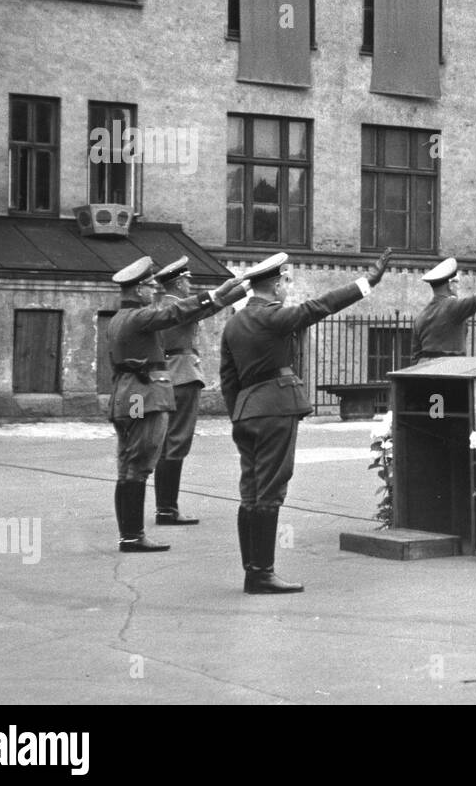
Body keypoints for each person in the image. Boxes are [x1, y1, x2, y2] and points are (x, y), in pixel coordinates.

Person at [221, 249, 391, 594]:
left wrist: (239, 410)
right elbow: (320, 306)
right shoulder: (272, 316)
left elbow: (228, 379)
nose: (287, 289)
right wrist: (366, 282)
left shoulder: (234, 323)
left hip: (246, 412)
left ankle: (252, 570)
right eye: (286, 282)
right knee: (270, 489)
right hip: (275, 411)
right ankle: (262, 574)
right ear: (277, 283)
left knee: (251, 491)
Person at [107, 257, 244, 552]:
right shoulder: (140, 317)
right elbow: (176, 312)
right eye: (149, 286)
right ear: (139, 289)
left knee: (130, 462)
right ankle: (133, 536)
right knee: (140, 460)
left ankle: (130, 534)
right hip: (142, 397)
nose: (153, 290)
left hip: (129, 397)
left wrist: (222, 294)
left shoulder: (120, 318)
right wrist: (214, 293)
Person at [151, 256, 212, 526]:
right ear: (177, 283)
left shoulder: (155, 306)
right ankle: (167, 509)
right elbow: (215, 303)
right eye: (187, 280)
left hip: (157, 381)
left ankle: (165, 507)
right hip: (183, 378)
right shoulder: (181, 306)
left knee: (161, 442)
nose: (190, 284)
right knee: (177, 442)